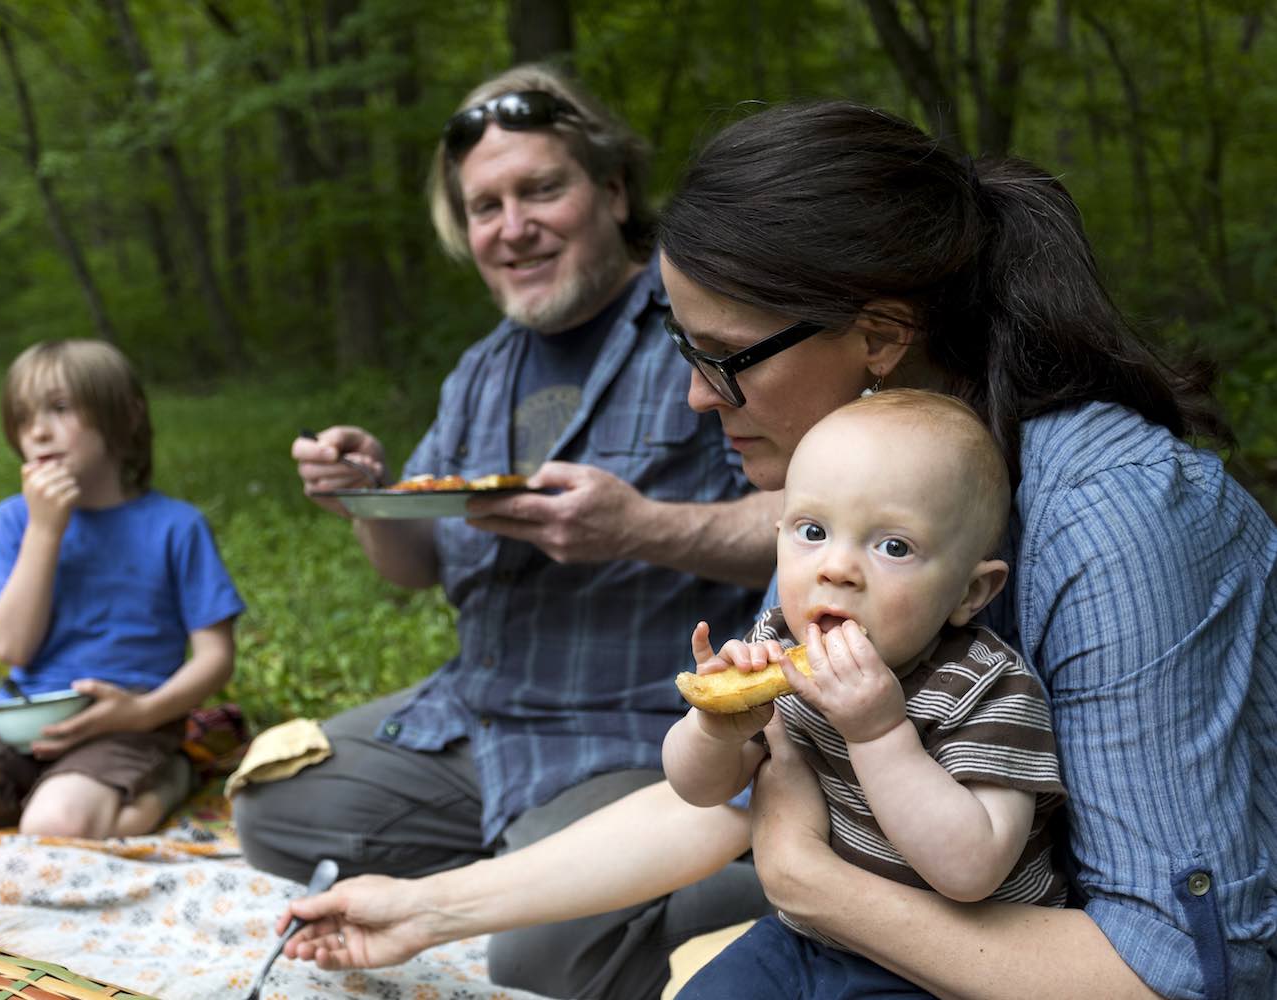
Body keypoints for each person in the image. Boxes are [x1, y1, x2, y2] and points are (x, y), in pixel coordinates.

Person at [272, 99, 1276, 1000]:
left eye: (723, 359)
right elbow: (733, 793)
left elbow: (1188, 972)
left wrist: (815, 886)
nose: (698, 397)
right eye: (684, 349)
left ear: (879, 336)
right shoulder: (850, 521)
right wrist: (427, 910)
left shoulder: (1121, 522)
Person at [232, 63, 778, 1000]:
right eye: (484, 207)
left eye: (541, 189)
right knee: (274, 804)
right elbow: (417, 564)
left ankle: (753, 866)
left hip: (637, 734)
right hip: (479, 720)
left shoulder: (699, 324)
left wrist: (643, 528)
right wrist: (366, 498)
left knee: (541, 960)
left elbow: (811, 521)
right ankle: (532, 854)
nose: (511, 227)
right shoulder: (481, 372)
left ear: (609, 191)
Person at [666, 390, 1068, 998]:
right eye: (812, 531)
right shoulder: (776, 641)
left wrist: (878, 732)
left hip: (944, 961)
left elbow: (972, 870)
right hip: (810, 938)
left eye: (893, 546)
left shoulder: (984, 686)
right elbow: (697, 789)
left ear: (971, 591)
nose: (836, 568)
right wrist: (717, 732)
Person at [0, 339, 245, 840]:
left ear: (126, 415)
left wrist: (143, 712)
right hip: (25, 719)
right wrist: (46, 531)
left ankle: (171, 776)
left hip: (129, 722)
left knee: (55, 824)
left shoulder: (176, 526)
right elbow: (12, 646)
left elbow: (216, 656)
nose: (37, 430)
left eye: (59, 409)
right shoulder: (17, 520)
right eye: (23, 415)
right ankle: (51, 798)